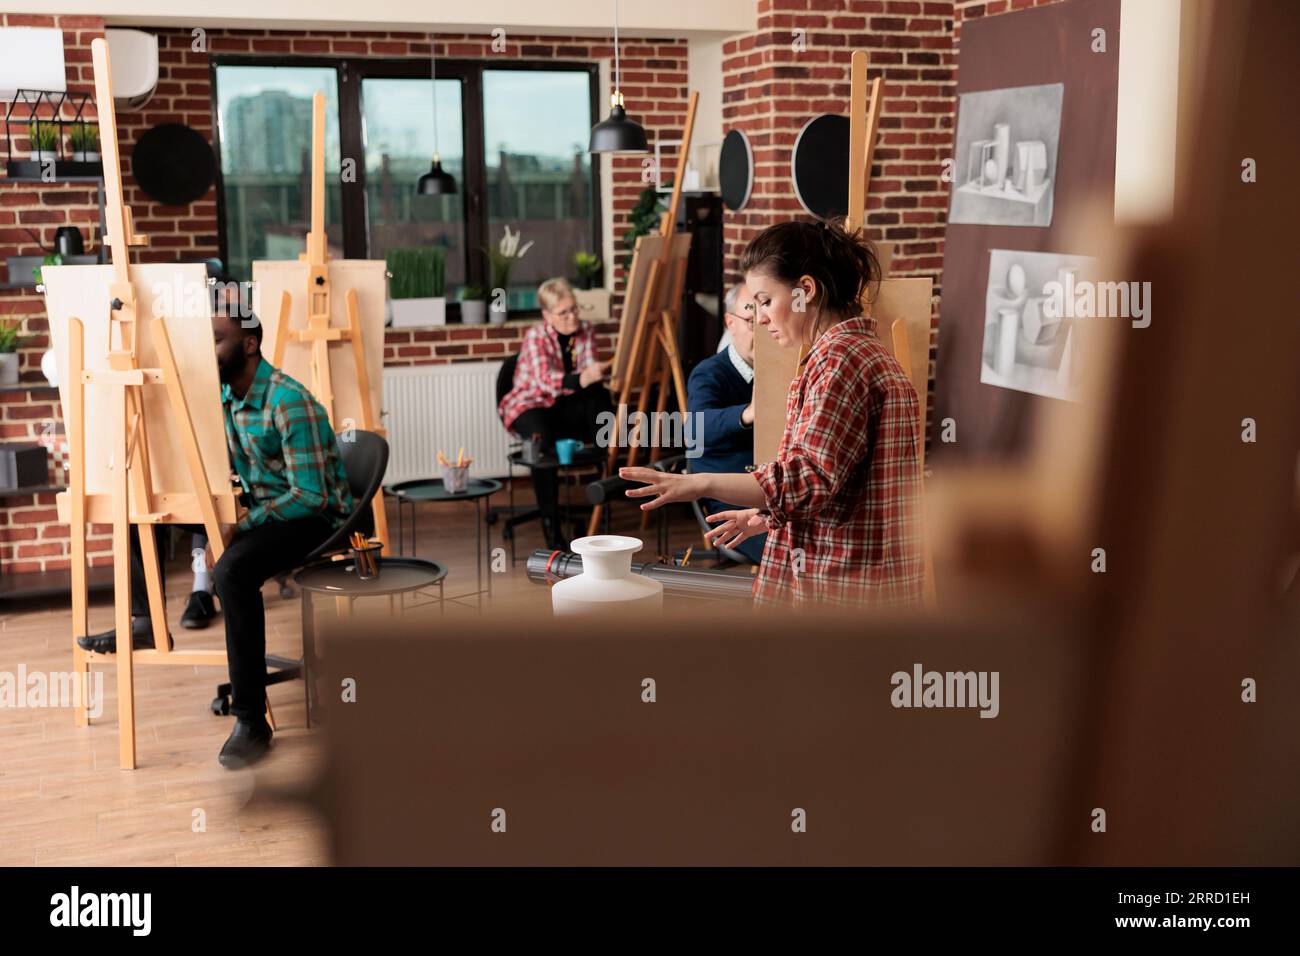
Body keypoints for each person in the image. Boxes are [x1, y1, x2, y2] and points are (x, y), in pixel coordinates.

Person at [78, 307, 353, 768]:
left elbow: (311, 496)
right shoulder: (226, 395)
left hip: (317, 517)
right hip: (264, 505)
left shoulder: (288, 400)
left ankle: (251, 721)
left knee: (232, 571)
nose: (209, 350)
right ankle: (144, 622)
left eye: (218, 339)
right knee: (140, 511)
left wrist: (239, 524)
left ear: (249, 345)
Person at [620, 219, 924, 608]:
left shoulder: (839, 363)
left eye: (765, 300)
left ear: (806, 290)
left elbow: (805, 480)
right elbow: (843, 485)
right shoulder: (862, 352)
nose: (761, 318)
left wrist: (698, 484)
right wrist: (768, 518)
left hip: (843, 587)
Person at [498, 277, 613, 549]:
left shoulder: (584, 331)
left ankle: (606, 464)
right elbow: (543, 381)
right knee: (542, 441)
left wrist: (593, 376)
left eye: (574, 309)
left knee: (600, 396)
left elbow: (587, 376)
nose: (572, 316)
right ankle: (551, 527)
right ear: (547, 315)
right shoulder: (536, 335)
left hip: (563, 403)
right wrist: (582, 379)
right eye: (564, 313)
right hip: (530, 403)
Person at [686, 283, 765, 564]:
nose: (764, 330)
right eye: (752, 321)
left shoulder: (780, 368)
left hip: (772, 490)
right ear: (731, 323)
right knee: (792, 548)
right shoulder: (709, 373)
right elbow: (696, 428)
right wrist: (748, 413)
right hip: (730, 499)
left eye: (767, 320)